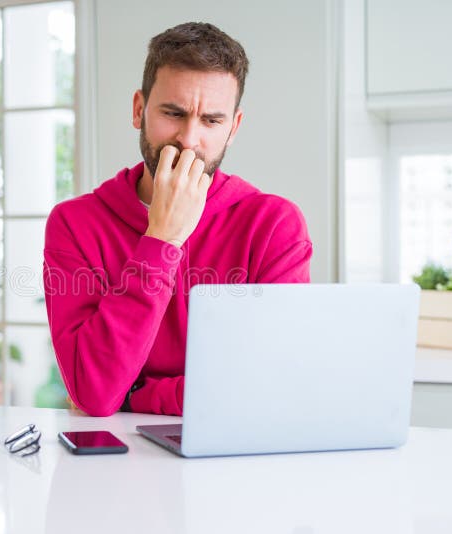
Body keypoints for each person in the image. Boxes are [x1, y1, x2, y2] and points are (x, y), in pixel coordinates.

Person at [43, 22, 313, 416]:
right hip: (115, 464)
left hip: (236, 459)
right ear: (139, 110)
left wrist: (136, 397)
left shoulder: (274, 225)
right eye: (174, 113)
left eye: (212, 121)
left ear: (233, 128)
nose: (189, 139)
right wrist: (162, 239)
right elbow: (94, 393)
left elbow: (271, 385)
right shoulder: (74, 223)